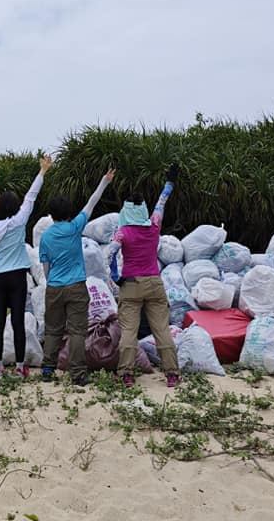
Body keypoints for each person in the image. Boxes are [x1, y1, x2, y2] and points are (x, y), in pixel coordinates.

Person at [106, 162, 181, 388]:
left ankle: (126, 374)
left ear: (126, 211)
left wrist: (114, 274)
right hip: (155, 282)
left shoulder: (123, 232)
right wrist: (170, 181)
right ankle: (172, 374)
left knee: (129, 331)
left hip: (131, 284)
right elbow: (161, 201)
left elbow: (108, 253)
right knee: (161, 330)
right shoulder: (154, 226)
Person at [38, 168, 116, 385]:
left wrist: (50, 283)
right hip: (76, 286)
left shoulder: (45, 236)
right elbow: (91, 203)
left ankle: (47, 369)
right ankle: (78, 374)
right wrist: (104, 181)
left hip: (54, 287)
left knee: (53, 329)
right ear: (69, 213)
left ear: (51, 214)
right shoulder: (74, 228)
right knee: (77, 331)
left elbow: (45, 266)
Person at [0, 154, 53, 380]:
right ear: (14, 207)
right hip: (16, 277)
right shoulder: (18, 221)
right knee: (17, 321)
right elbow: (31, 198)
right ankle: (21, 367)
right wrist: (42, 172)